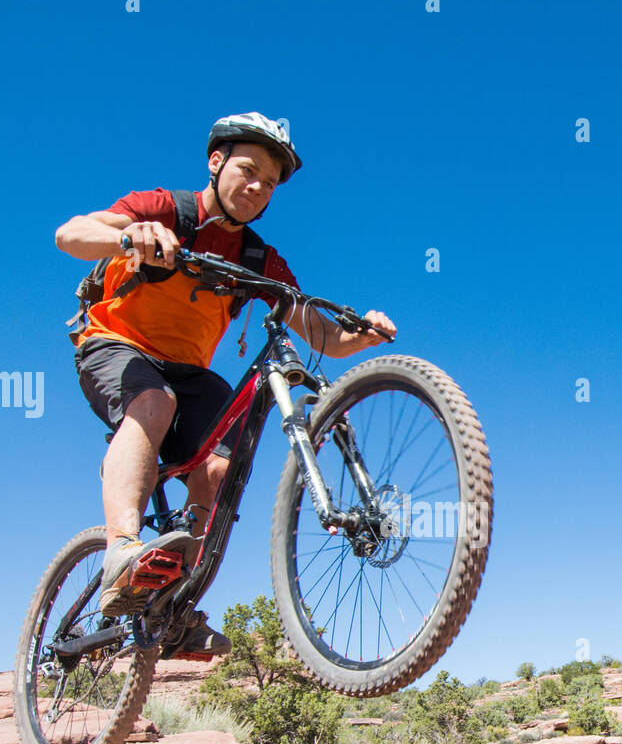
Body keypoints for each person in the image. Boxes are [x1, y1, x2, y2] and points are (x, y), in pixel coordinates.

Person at [54, 112, 396, 656]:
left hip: (189, 371)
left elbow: (319, 335)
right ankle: (122, 548)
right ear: (216, 163)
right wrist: (130, 235)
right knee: (152, 401)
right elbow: (70, 233)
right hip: (114, 344)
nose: (258, 186)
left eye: (270, 181)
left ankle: (172, 600)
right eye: (248, 169)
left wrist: (363, 337)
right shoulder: (167, 209)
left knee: (223, 462)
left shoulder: (259, 259)